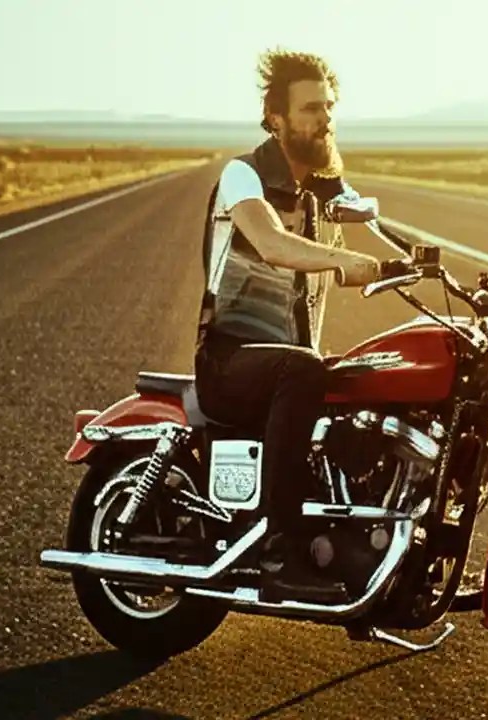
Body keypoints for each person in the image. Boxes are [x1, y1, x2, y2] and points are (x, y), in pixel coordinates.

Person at [192, 48, 394, 602]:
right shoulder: (243, 175)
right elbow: (273, 244)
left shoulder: (323, 193)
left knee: (367, 385)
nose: (324, 118)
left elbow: (373, 243)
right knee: (303, 370)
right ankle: (279, 551)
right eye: (309, 108)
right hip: (230, 361)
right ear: (275, 117)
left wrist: (415, 266)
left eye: (328, 107)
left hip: (285, 363)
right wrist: (346, 260)